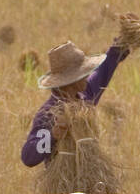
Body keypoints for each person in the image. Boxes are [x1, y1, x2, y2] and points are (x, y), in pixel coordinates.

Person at [21, 36, 130, 168]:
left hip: (90, 174)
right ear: (71, 81)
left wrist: (122, 43)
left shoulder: (85, 95)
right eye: (83, 73)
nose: (87, 75)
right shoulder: (48, 113)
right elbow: (28, 156)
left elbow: (103, 70)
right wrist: (53, 135)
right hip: (63, 183)